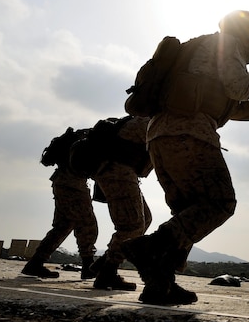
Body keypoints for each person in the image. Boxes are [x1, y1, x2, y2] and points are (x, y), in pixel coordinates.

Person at [123, 10, 249, 306]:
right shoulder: (225, 44)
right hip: (189, 133)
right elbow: (238, 87)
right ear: (245, 35)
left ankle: (159, 285)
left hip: (160, 135)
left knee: (188, 213)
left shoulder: (198, 50)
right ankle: (148, 248)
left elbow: (227, 107)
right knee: (219, 203)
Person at [73, 116, 154, 291]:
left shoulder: (141, 121)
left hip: (118, 172)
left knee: (145, 219)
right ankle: (107, 274)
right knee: (131, 226)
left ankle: (104, 263)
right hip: (117, 172)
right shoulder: (150, 123)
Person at [22, 127, 98, 279]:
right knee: (86, 224)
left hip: (62, 182)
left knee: (63, 226)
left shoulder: (83, 136)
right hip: (73, 185)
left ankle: (35, 263)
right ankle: (88, 265)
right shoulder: (92, 139)